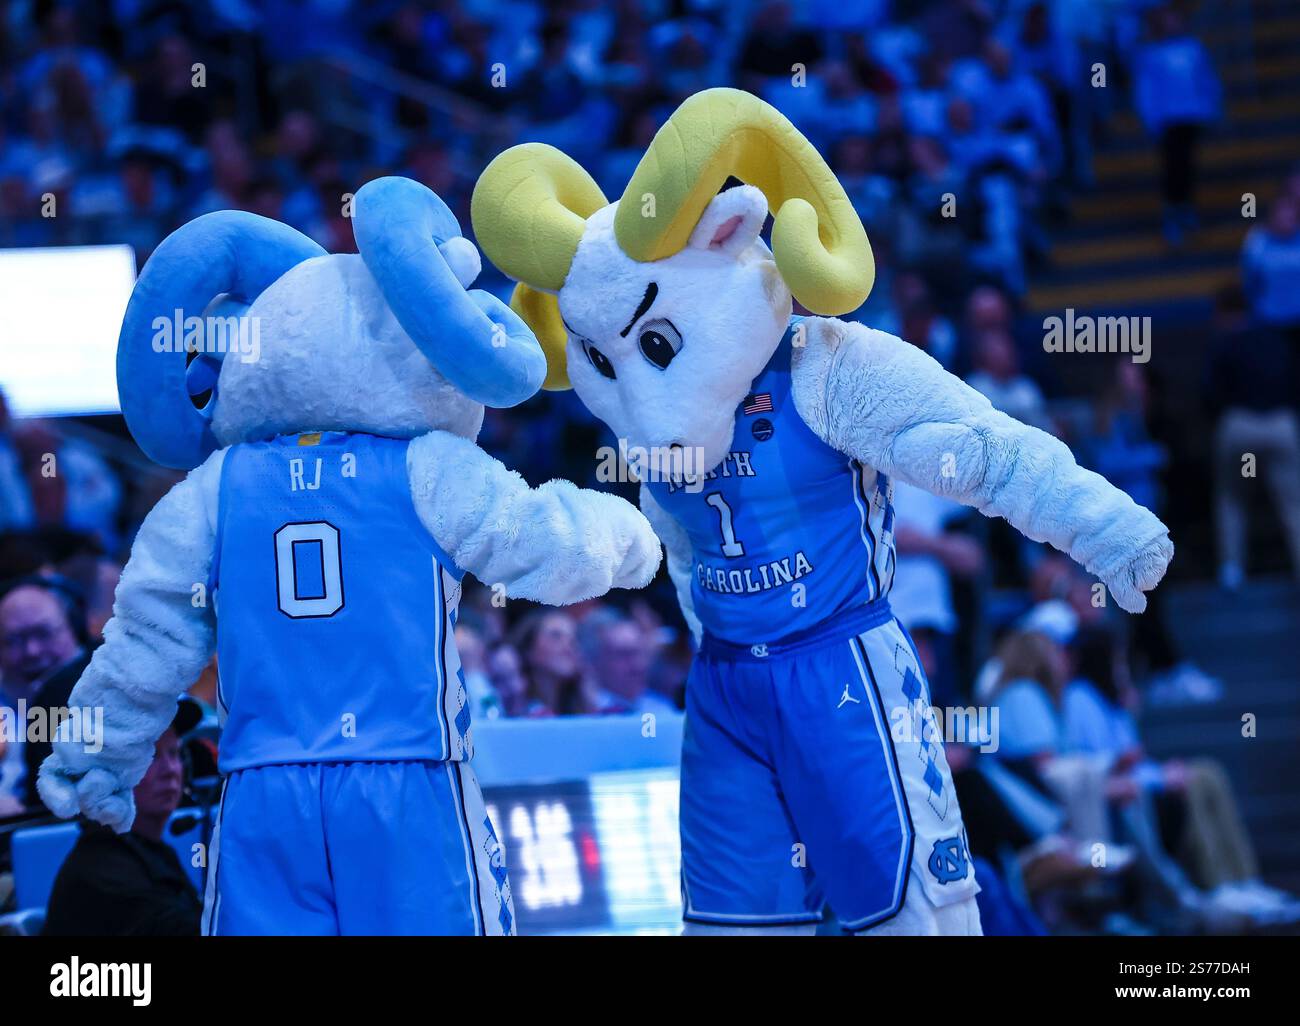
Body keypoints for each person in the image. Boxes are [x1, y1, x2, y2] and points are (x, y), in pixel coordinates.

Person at [43, 699, 204, 936]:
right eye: (150, 757)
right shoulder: (104, 874)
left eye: (174, 753)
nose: (170, 769)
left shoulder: (149, 852)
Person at [0, 575, 91, 812]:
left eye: (43, 633)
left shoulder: (104, 691)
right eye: (14, 640)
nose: (32, 651)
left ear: (73, 628)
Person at [578, 608, 676, 716]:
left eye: (639, 653)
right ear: (597, 661)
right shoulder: (583, 710)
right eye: (624, 655)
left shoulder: (663, 710)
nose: (637, 665)